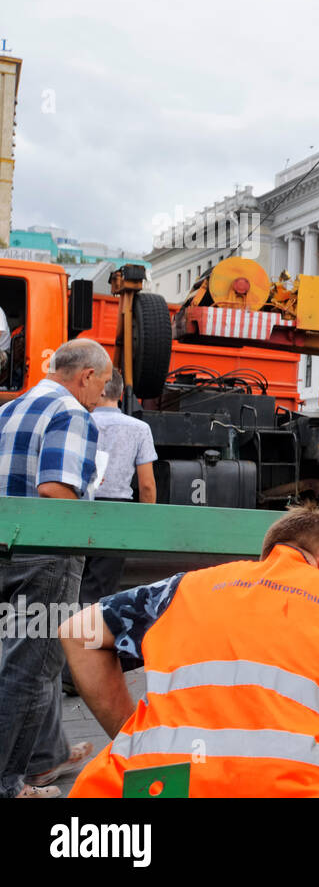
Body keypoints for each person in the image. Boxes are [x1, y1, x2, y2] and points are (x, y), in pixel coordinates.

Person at [62, 502, 319, 797]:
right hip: (287, 788)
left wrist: (132, 733)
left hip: (160, 785)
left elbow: (78, 632)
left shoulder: (185, 588)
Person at [0, 338, 111, 798]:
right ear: (85, 375)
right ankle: (7, 783)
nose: (100, 396)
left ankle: (44, 760)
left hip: (7, 547)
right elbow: (56, 489)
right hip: (45, 556)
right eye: (102, 385)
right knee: (28, 669)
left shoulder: (10, 409)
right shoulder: (71, 413)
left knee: (19, 659)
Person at [61, 368, 158, 696]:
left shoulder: (78, 421)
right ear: (118, 392)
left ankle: (61, 664)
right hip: (116, 517)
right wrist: (144, 528)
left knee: (69, 589)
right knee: (98, 593)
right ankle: (79, 673)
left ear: (100, 389)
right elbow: (146, 484)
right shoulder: (138, 428)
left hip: (76, 510)